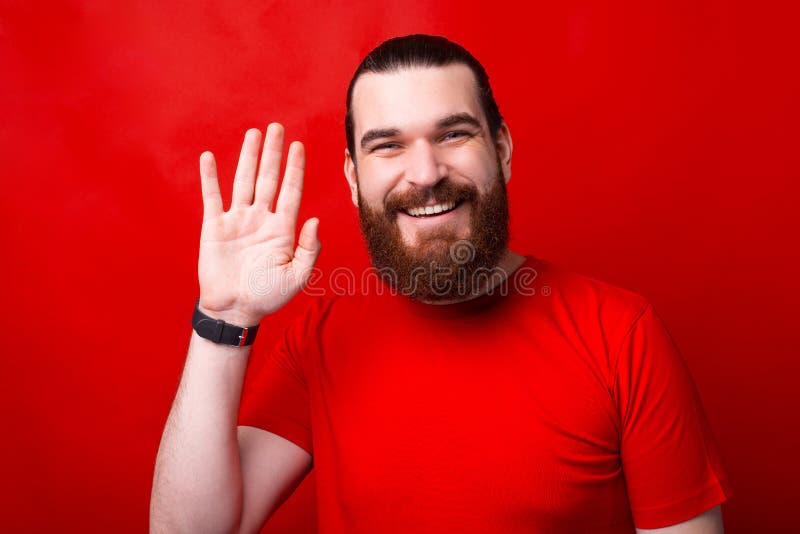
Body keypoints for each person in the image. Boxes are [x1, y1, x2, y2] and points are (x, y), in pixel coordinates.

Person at [150, 35, 732, 533]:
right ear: (353, 178)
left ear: (501, 150)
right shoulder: (322, 339)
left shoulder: (622, 335)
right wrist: (225, 315)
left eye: (453, 134)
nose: (425, 173)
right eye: (388, 145)